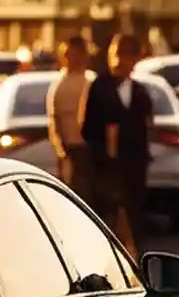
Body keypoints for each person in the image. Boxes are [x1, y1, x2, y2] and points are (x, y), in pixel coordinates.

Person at [81, 34, 153, 258]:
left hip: (134, 167)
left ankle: (136, 265)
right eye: (118, 54)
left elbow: (146, 127)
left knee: (134, 218)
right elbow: (87, 127)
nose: (122, 61)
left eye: (128, 56)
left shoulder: (140, 91)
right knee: (106, 219)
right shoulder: (100, 87)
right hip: (106, 167)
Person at [49, 36, 93, 203]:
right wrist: (62, 153)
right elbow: (55, 121)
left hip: (91, 149)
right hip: (71, 150)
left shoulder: (91, 82)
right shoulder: (60, 85)